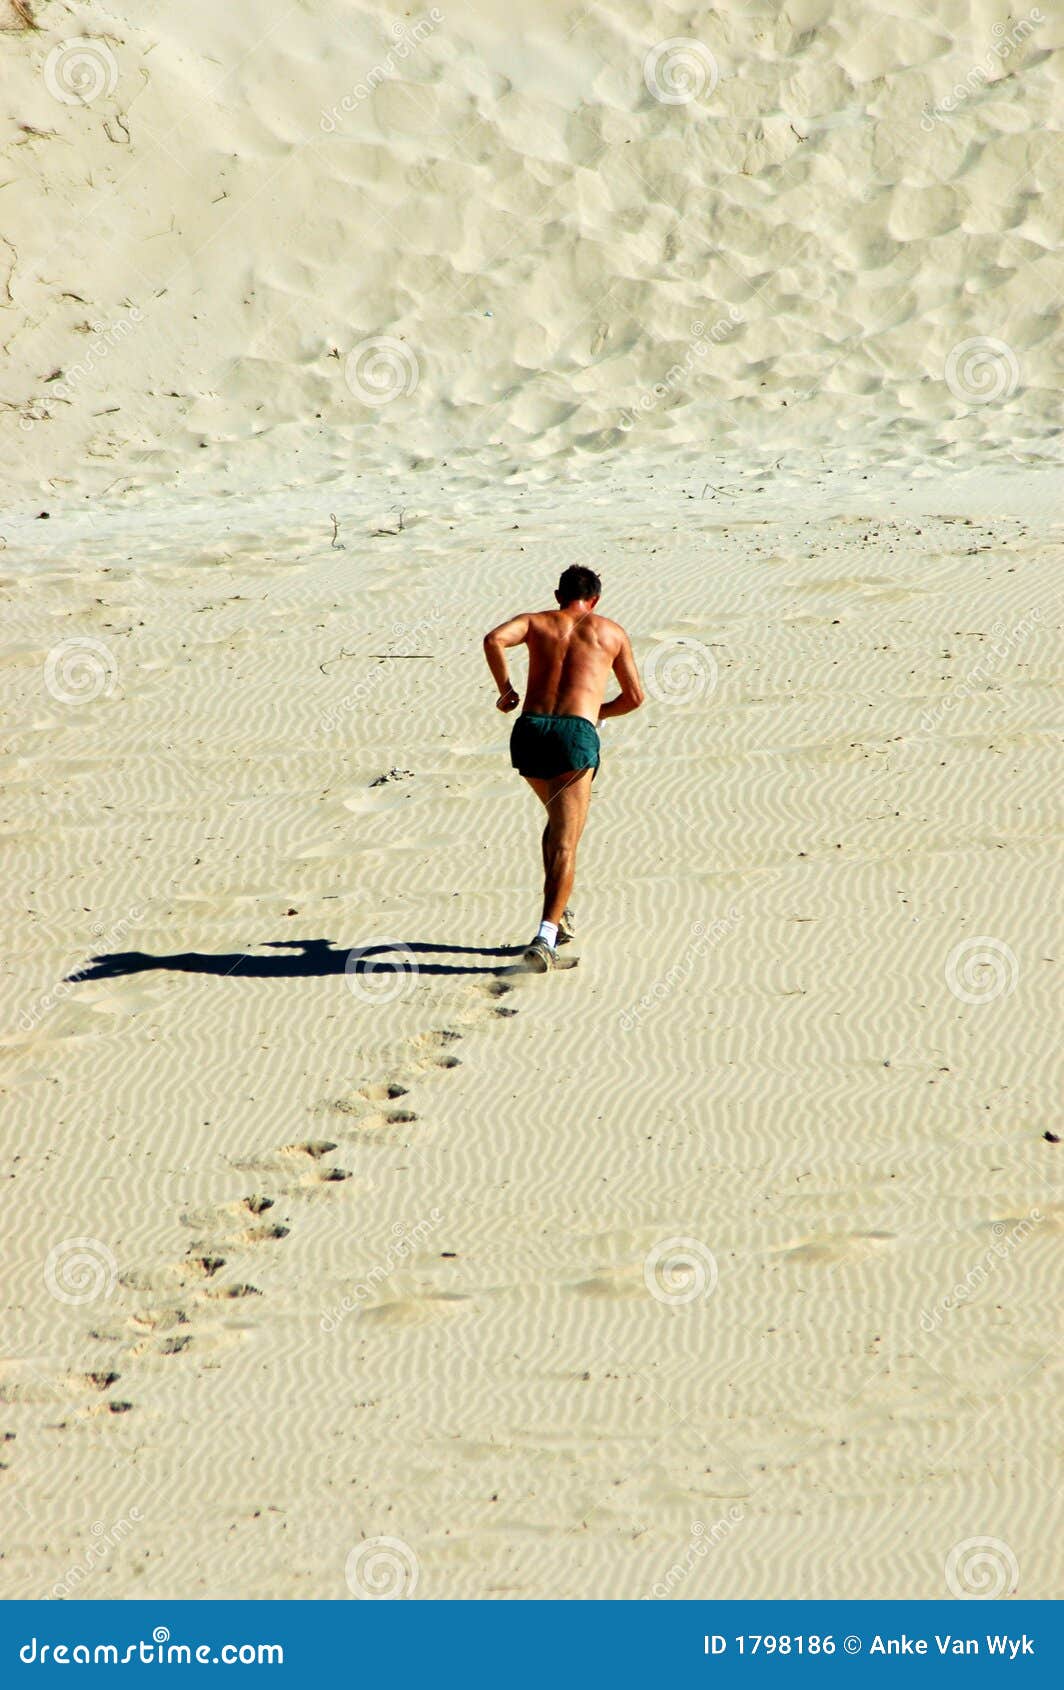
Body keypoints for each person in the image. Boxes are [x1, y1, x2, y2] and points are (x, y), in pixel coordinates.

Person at [483, 565, 644, 970]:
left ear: (558, 595)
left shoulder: (537, 622)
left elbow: (494, 640)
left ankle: (560, 913)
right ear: (596, 600)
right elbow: (635, 697)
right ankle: (545, 937)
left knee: (556, 825)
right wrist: (593, 712)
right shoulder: (610, 631)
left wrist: (505, 690)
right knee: (566, 842)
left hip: (530, 731)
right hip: (573, 737)